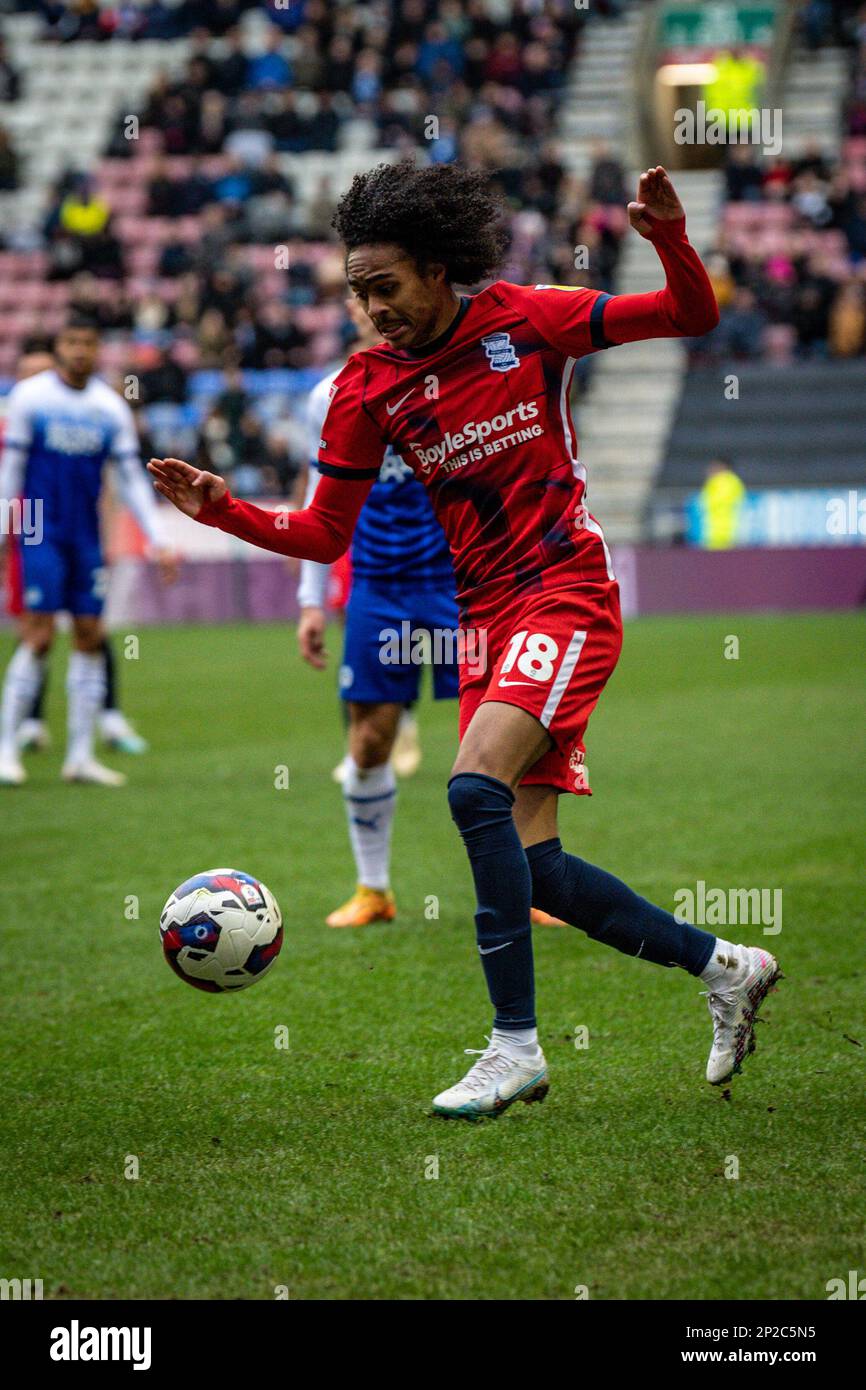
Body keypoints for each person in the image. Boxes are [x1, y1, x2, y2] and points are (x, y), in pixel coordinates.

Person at [149, 162, 781, 1118]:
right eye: (358, 291)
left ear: (440, 271)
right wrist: (225, 510)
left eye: (386, 287)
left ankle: (514, 1047)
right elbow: (326, 532)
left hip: (566, 591)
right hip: (483, 617)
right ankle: (726, 966)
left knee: (470, 787)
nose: (372, 309)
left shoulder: (530, 320)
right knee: (539, 868)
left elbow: (687, 316)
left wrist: (669, 239)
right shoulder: (366, 391)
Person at [297, 296, 461, 927]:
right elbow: (320, 502)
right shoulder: (330, 395)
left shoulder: (454, 376)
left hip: (460, 586)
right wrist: (312, 601)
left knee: (500, 741)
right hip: (378, 590)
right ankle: (374, 890)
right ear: (352, 309)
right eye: (366, 297)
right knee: (369, 741)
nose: (378, 309)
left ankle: (532, 886)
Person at [0, 315, 177, 786]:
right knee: (37, 635)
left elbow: (131, 477)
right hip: (37, 524)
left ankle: (79, 757)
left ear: (98, 349)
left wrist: (158, 538)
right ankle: (5, 749)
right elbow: (12, 467)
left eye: (88, 343)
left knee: (91, 634)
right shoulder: (31, 398)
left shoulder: (109, 407)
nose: (80, 350)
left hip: (85, 531)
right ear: (59, 346)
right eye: (72, 342)